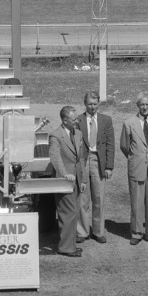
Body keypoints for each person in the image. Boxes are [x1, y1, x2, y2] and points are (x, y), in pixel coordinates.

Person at [118, 91, 148, 246]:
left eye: (147, 104)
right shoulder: (129, 123)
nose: (144, 107)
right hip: (136, 167)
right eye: (142, 104)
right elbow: (124, 146)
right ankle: (137, 233)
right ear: (137, 105)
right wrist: (135, 157)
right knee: (137, 203)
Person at [76, 91, 115, 244]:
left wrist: (109, 166)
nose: (92, 107)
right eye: (90, 104)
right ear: (85, 104)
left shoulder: (106, 120)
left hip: (99, 162)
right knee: (83, 199)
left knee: (99, 198)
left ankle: (98, 231)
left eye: (95, 104)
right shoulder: (78, 120)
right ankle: (82, 231)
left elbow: (110, 145)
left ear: (99, 104)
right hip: (83, 161)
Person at [48, 105, 85, 257]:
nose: (77, 121)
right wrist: (65, 174)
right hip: (64, 180)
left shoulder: (78, 134)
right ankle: (66, 247)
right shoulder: (55, 136)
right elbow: (55, 158)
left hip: (76, 179)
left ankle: (70, 243)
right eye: (74, 119)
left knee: (74, 211)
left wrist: (82, 180)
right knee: (67, 212)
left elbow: (80, 158)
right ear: (65, 120)